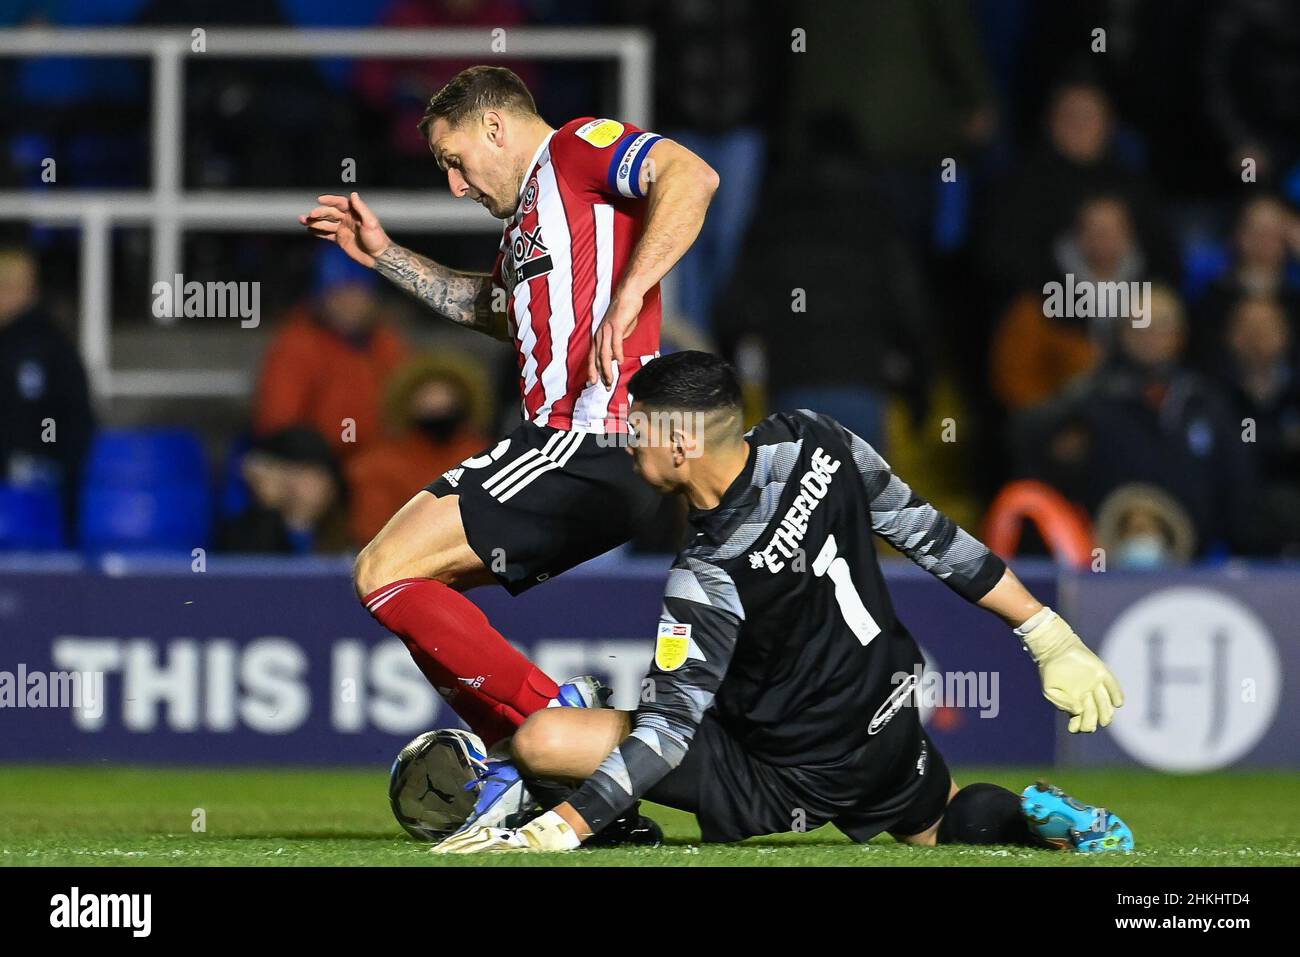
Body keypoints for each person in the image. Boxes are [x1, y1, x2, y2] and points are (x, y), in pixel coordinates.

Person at [432, 351, 1133, 855]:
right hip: (882, 721)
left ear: (680, 443)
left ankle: (606, 828)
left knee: (542, 740)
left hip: (781, 767)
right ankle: (1036, 824)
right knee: (939, 823)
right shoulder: (820, 439)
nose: (626, 437)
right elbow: (931, 535)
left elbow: (670, 733)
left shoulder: (707, 570)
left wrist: (558, 829)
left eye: (638, 426)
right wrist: (1047, 632)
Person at [298, 66, 719, 750]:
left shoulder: (578, 146)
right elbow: (491, 309)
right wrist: (384, 256)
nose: (456, 186)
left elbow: (693, 175)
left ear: (494, 125)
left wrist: (634, 290)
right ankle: (550, 768)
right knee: (410, 588)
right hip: (581, 453)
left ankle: (561, 728)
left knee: (382, 570)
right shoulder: (530, 219)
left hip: (590, 437)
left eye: (455, 162)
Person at [253, 245, 408, 459]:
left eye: (356, 293)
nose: (348, 303)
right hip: (317, 465)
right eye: (337, 294)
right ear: (319, 298)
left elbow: (406, 414)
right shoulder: (297, 344)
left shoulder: (387, 344)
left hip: (377, 463)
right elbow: (278, 423)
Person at [345, 353, 491, 546]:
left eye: (447, 395)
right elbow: (372, 533)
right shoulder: (376, 465)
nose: (439, 405)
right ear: (406, 403)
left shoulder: (488, 457)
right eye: (428, 396)